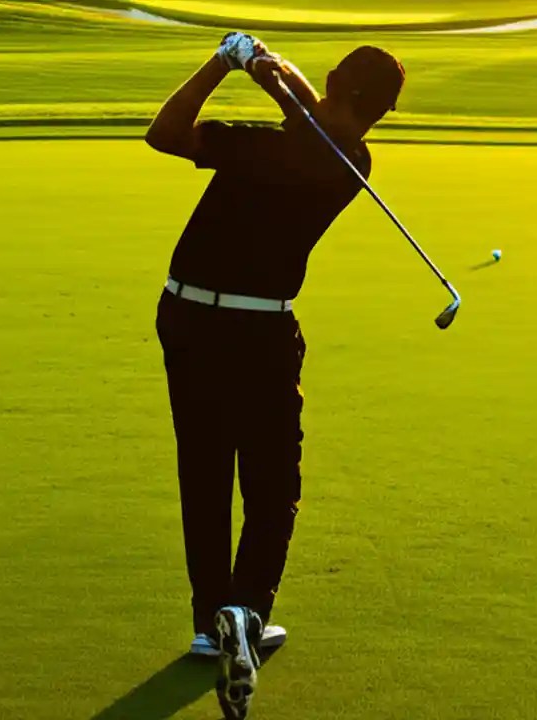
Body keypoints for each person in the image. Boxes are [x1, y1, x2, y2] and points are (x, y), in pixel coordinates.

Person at [144, 32, 405, 720]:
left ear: (337, 86)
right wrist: (266, 65)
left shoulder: (262, 144)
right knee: (272, 486)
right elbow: (310, 115)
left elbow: (162, 133)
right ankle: (245, 613)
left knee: (204, 472)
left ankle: (212, 624)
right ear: (381, 109)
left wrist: (222, 63)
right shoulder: (354, 161)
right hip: (262, 330)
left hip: (189, 314)